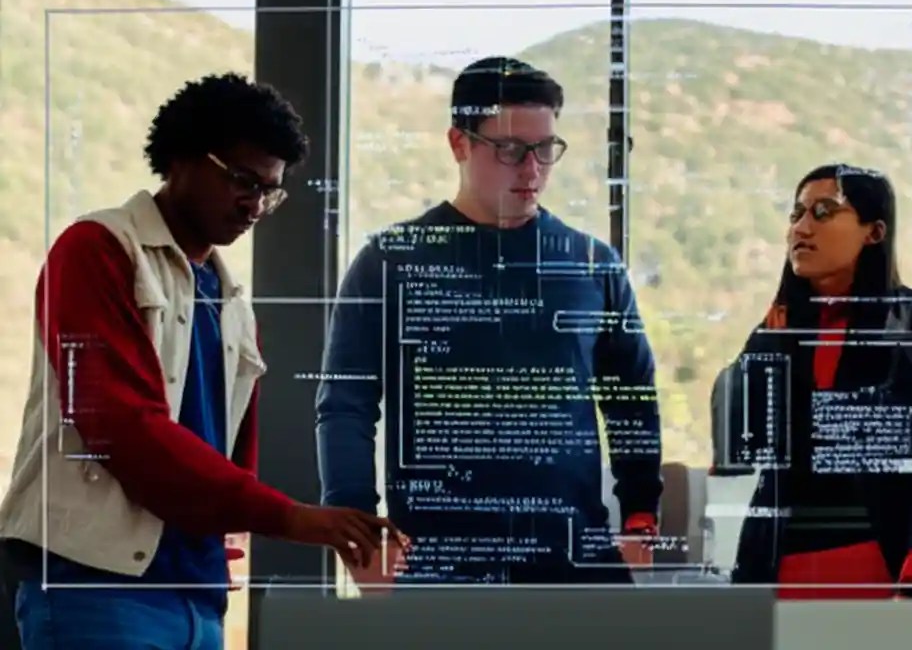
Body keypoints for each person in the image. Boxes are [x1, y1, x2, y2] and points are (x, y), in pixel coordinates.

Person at [0, 73, 404, 650]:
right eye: (243, 180)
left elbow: (229, 455)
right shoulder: (96, 249)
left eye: (271, 191)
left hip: (196, 595)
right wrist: (293, 517)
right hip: (92, 587)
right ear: (182, 158)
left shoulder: (231, 300)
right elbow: (122, 427)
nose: (256, 205)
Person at [316, 56, 663, 588]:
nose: (532, 170)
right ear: (460, 144)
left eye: (545, 150)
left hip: (574, 561)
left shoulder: (592, 264)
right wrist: (359, 537)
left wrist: (640, 517)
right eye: (509, 150)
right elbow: (346, 406)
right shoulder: (390, 260)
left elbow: (631, 397)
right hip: (438, 564)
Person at [718, 164, 912, 598]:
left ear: (874, 232)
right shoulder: (777, 330)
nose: (801, 227)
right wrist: (765, 351)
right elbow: (738, 448)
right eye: (795, 214)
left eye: (823, 211)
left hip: (897, 564)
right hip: (785, 568)